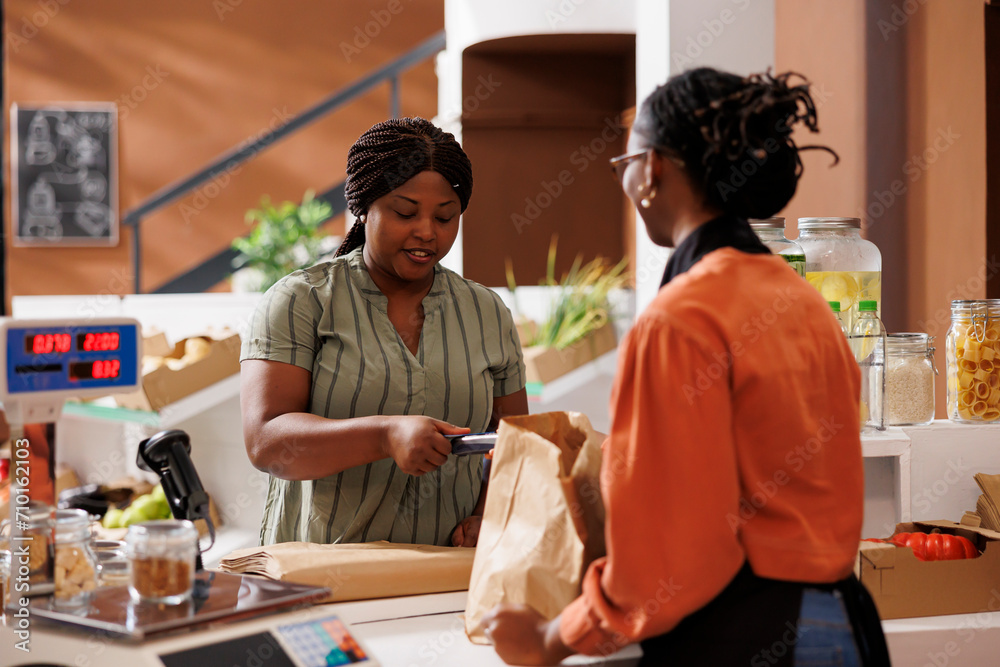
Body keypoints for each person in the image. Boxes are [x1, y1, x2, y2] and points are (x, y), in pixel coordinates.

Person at [483, 69, 885, 665]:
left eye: (624, 163)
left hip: (743, 634)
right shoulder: (801, 301)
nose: (626, 178)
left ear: (653, 170)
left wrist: (552, 638)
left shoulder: (681, 317)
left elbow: (671, 557)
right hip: (842, 623)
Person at [240, 117, 527, 548]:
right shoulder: (302, 301)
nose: (427, 231)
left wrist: (488, 512)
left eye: (446, 217)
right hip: (319, 576)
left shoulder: (486, 312)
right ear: (363, 207)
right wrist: (385, 435)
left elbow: (515, 441)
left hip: (447, 574)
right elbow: (266, 443)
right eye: (405, 212)